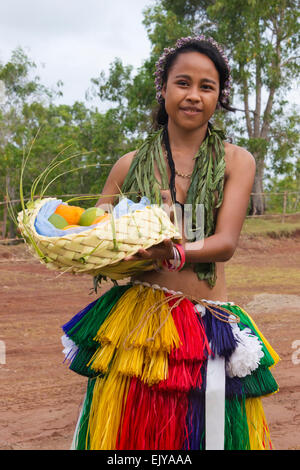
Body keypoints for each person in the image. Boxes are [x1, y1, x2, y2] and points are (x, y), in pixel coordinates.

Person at [62, 35, 279, 450]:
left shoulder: (237, 161)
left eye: (206, 86)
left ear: (219, 97)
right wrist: (82, 244)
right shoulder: (128, 166)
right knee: (132, 435)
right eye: (183, 83)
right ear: (163, 88)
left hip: (205, 323)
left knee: (208, 435)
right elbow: (96, 236)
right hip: (137, 325)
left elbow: (226, 242)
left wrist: (175, 251)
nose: (193, 96)